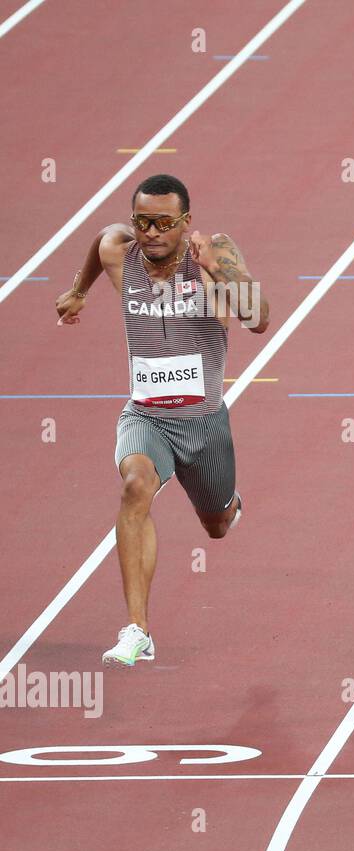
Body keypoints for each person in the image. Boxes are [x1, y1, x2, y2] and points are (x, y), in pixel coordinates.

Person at [54, 173, 270, 665]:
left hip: (204, 423)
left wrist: (218, 270)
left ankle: (228, 503)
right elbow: (101, 239)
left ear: (185, 221)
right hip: (146, 418)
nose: (152, 231)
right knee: (134, 486)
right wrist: (77, 292)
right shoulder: (120, 254)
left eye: (164, 222)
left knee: (215, 526)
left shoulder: (213, 255)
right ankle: (137, 630)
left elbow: (259, 319)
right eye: (143, 221)